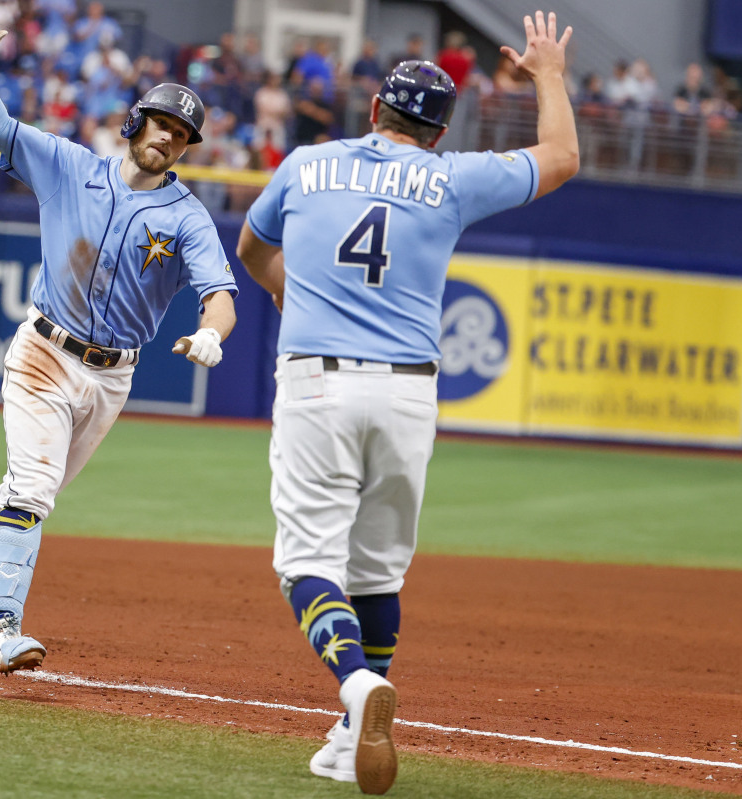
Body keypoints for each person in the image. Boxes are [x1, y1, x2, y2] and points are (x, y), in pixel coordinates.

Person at [236, 11, 579, 795]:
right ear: (437, 130)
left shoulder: (304, 163)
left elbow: (252, 248)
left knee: (306, 563)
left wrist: (287, 293)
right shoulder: (451, 177)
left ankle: (355, 686)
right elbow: (561, 157)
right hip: (406, 392)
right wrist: (548, 75)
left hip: (317, 380)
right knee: (378, 570)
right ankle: (348, 730)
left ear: (371, 111)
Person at [0, 3, 237, 677]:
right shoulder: (68, 165)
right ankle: (1, 632)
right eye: (160, 124)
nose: (167, 139)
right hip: (44, 351)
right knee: (33, 492)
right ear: (134, 122)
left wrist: (210, 335)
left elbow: (219, 296)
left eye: (180, 134)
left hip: (112, 377)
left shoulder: (189, 217)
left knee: (26, 493)